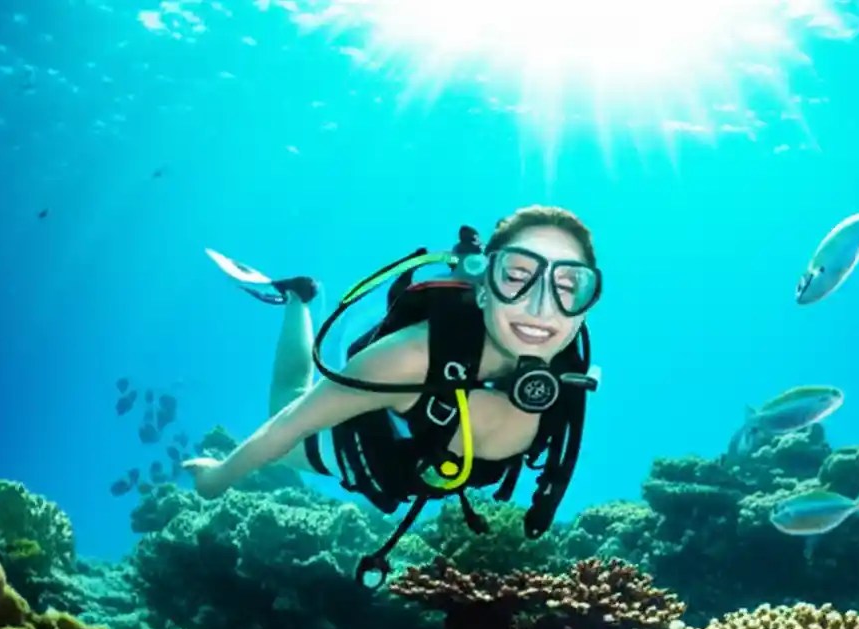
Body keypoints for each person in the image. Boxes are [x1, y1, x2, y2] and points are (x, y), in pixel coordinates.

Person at [183, 206, 604, 586]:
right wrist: (217, 479)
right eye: (515, 276)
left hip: (428, 460)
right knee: (287, 399)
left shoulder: (569, 373)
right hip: (347, 443)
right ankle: (299, 299)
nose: (539, 306)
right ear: (483, 286)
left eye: (569, 284)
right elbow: (292, 423)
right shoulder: (411, 355)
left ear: (587, 306)